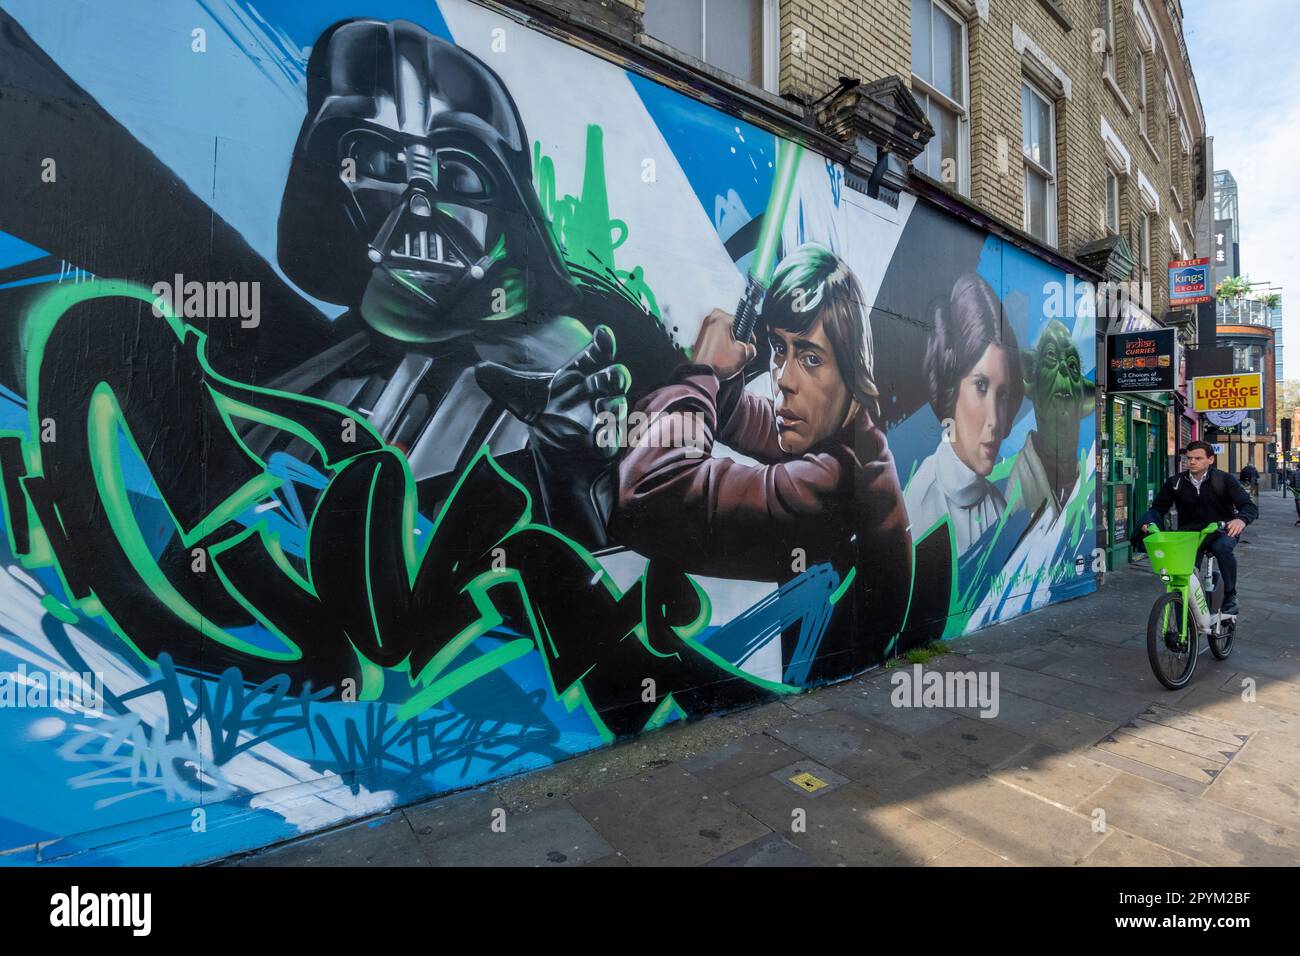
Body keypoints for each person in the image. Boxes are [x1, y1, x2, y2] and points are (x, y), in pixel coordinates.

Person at [611, 243, 912, 672]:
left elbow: (648, 497)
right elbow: (753, 421)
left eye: (810, 358)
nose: (784, 380)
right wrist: (721, 383)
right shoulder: (852, 439)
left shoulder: (832, 479)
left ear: (852, 370)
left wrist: (703, 376)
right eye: (779, 349)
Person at [903, 274, 1023, 556]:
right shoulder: (919, 506)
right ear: (950, 387)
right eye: (980, 386)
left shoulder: (996, 505)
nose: (995, 420)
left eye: (1003, 394)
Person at [1139, 440, 1258, 615]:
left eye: (1198, 458)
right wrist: (1149, 522)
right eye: (1189, 458)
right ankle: (1183, 627)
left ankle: (1230, 595)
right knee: (1181, 578)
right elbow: (1158, 508)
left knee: (1222, 548)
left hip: (1220, 530)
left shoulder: (1224, 480)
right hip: (1190, 535)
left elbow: (1249, 506)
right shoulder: (1175, 482)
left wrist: (1240, 520)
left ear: (1210, 459)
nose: (1192, 462)